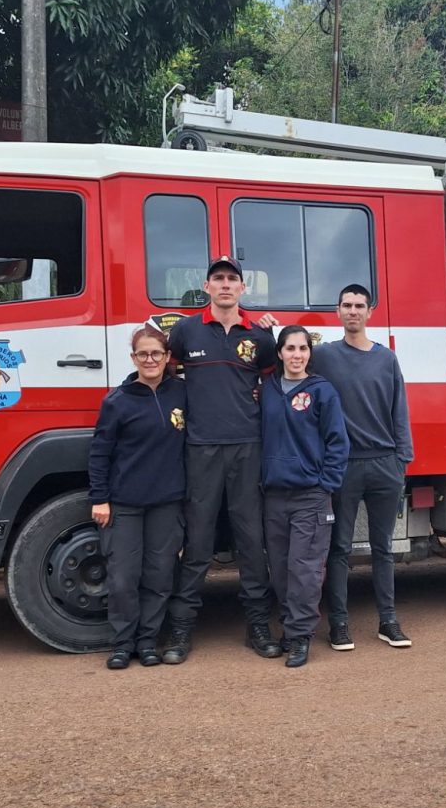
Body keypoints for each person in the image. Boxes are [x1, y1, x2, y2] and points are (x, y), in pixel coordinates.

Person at [162, 257, 279, 664]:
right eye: (219, 279)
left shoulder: (260, 336)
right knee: (197, 543)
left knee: (251, 543)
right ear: (207, 286)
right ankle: (180, 631)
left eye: (232, 279)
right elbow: (165, 372)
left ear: (242, 288)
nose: (225, 285)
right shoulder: (185, 330)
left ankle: (259, 626)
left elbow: (274, 382)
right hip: (201, 448)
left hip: (248, 447)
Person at [310, 283, 415, 651]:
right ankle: (339, 624)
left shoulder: (387, 359)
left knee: (383, 548)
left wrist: (402, 460)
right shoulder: (323, 356)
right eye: (346, 305)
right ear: (337, 312)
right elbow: (288, 361)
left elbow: (399, 410)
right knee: (339, 548)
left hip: (386, 464)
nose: (352, 311)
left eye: (359, 305)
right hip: (345, 467)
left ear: (370, 312)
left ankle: (389, 621)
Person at [87, 327, 188, 670]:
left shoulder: (182, 393)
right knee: (122, 579)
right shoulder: (117, 401)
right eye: (143, 354)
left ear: (167, 357)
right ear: (133, 358)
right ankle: (122, 644)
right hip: (124, 504)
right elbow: (100, 453)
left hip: (167, 502)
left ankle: (147, 642)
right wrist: (100, 498)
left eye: (156, 353)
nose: (150, 360)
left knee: (159, 577)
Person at [260, 326, 348, 668]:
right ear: (279, 353)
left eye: (302, 348)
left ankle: (300, 636)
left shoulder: (322, 391)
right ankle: (290, 626)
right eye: (290, 348)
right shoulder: (266, 389)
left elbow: (338, 442)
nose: (296, 355)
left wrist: (326, 484)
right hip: (274, 495)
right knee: (281, 571)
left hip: (310, 496)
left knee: (305, 570)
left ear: (310, 353)